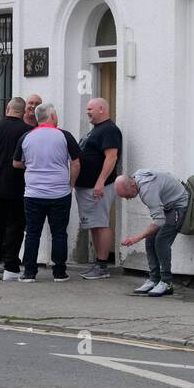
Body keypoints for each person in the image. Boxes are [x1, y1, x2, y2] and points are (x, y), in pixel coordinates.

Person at [15, 103, 81, 283]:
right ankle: (59, 272)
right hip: (59, 193)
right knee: (59, 233)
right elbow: (75, 163)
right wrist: (71, 184)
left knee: (32, 233)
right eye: (56, 114)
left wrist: (32, 165)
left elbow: (16, 163)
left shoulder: (27, 136)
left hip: (33, 193)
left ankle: (29, 272)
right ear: (52, 116)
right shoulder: (64, 136)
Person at [0, 97, 32, 281]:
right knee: (16, 227)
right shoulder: (27, 131)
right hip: (18, 186)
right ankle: (10, 268)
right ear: (24, 111)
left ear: (7, 108)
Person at [115, 171, 188, 297]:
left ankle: (166, 282)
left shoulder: (147, 191)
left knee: (161, 241)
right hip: (168, 206)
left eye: (126, 195)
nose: (127, 198)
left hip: (179, 206)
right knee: (150, 240)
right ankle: (154, 279)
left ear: (132, 185)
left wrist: (136, 238)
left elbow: (159, 221)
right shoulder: (137, 176)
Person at [75, 98, 122, 279]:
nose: (87, 112)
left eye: (90, 109)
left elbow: (111, 157)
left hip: (97, 187)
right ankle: (97, 262)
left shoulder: (109, 130)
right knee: (94, 225)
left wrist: (100, 181)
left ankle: (102, 266)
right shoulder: (96, 130)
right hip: (87, 187)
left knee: (100, 224)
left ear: (101, 109)